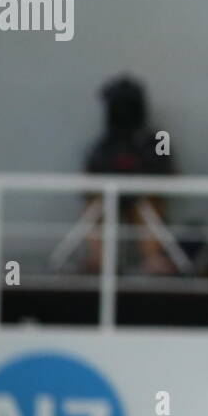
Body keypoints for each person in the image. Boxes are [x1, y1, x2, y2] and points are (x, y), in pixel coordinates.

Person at [83, 75, 178, 275]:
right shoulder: (107, 142)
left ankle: (152, 259)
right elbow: (92, 170)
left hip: (142, 199)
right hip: (109, 197)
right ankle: (98, 260)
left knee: (146, 208)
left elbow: (166, 169)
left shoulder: (156, 139)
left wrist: (140, 181)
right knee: (95, 208)